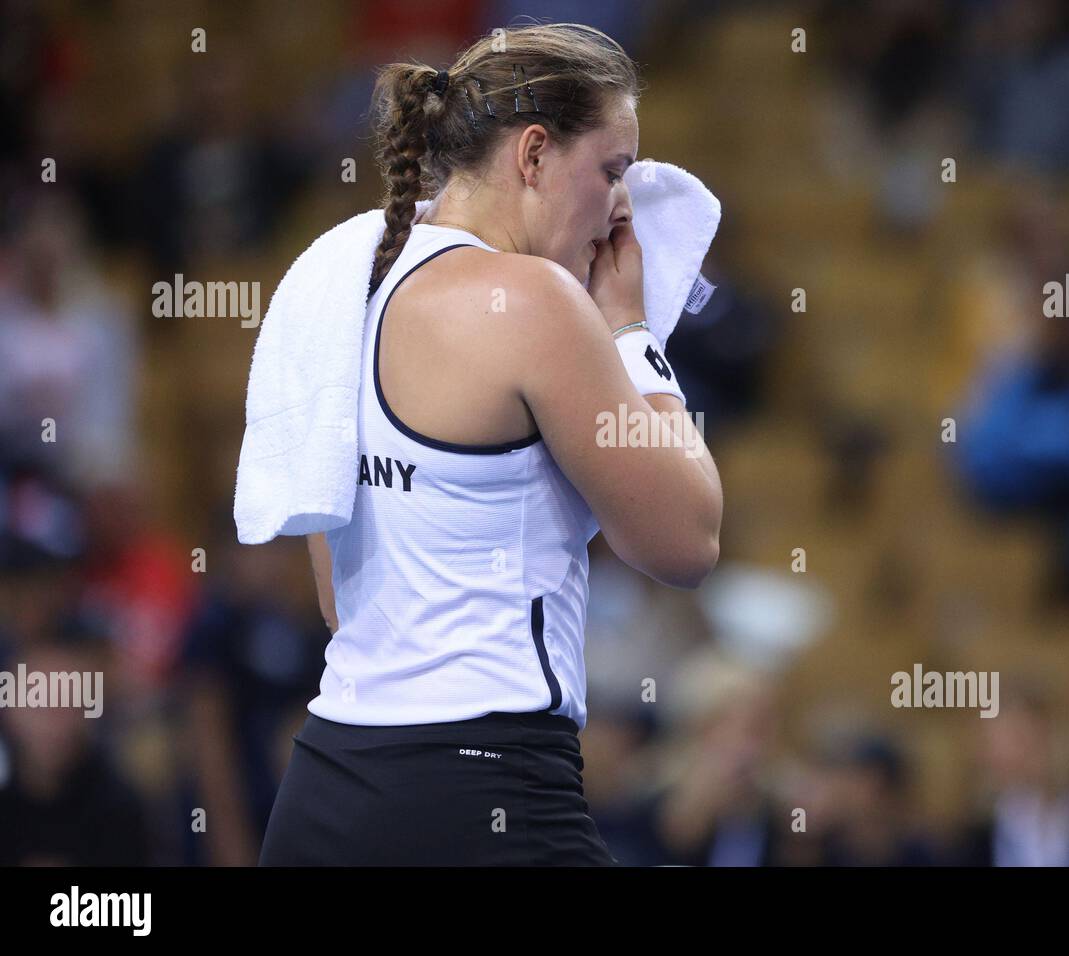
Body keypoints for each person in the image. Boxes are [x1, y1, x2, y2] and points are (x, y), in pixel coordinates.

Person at [258, 23, 723, 866]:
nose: (624, 208)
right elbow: (687, 539)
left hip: (327, 788)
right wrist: (631, 330)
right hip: (484, 795)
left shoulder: (340, 277)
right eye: (612, 170)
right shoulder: (534, 299)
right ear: (534, 155)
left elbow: (338, 592)